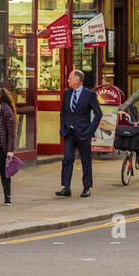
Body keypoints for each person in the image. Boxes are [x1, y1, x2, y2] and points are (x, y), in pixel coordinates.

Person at [57, 69, 102, 197]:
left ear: (77, 80)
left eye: (70, 78)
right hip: (69, 133)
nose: (68, 80)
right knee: (67, 159)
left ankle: (86, 187)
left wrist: (90, 130)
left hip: (83, 133)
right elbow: (63, 112)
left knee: (86, 161)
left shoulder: (89, 95)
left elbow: (98, 114)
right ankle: (66, 187)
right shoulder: (67, 93)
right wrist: (63, 127)